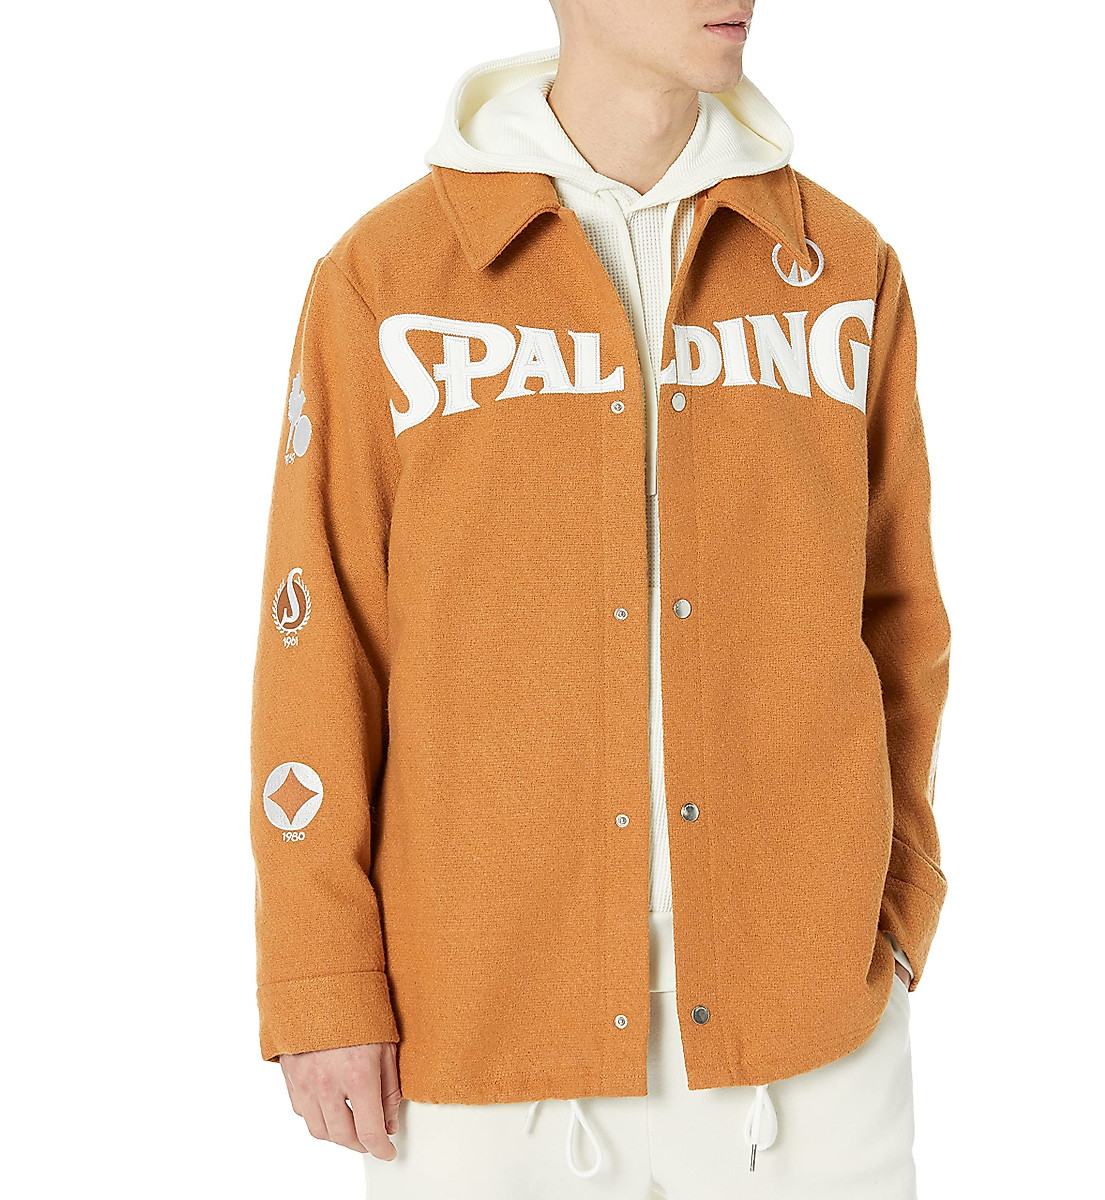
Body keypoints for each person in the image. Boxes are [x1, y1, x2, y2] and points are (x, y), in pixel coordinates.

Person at [249, 2, 951, 1196]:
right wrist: (322, 980)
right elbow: (320, 643)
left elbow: (903, 620)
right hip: (484, 1018)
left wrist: (900, 900)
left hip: (811, 1027)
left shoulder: (840, 264)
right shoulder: (388, 275)